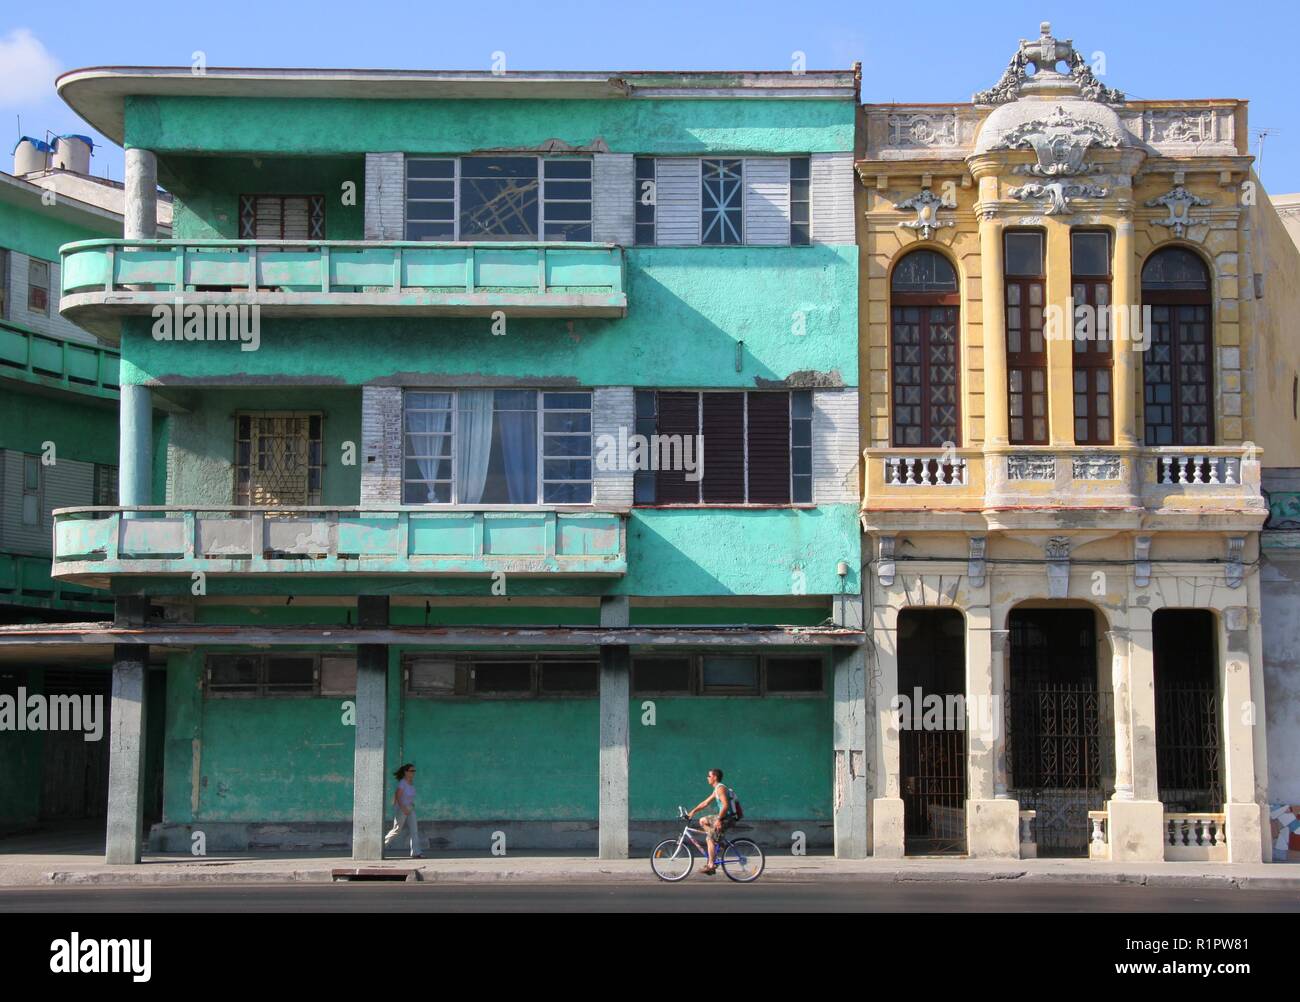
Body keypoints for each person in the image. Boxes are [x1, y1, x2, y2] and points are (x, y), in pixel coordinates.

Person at [687, 768, 734, 876]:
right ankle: (718, 840)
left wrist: (719, 820)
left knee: (709, 839)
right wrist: (692, 812)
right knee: (702, 820)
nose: (707, 778)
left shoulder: (721, 789)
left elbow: (726, 805)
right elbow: (705, 803)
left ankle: (711, 865)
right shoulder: (717, 789)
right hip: (723, 816)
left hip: (727, 818)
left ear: (715, 777)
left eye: (709, 776)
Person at [384, 763, 423, 859]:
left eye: (414, 771)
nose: (413, 773)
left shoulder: (411, 782)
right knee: (397, 830)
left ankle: (416, 852)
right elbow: (397, 795)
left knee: (414, 830)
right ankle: (380, 846)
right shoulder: (403, 782)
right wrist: (403, 808)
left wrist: (411, 804)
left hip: (410, 808)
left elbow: (408, 796)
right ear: (406, 772)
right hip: (402, 809)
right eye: (411, 771)